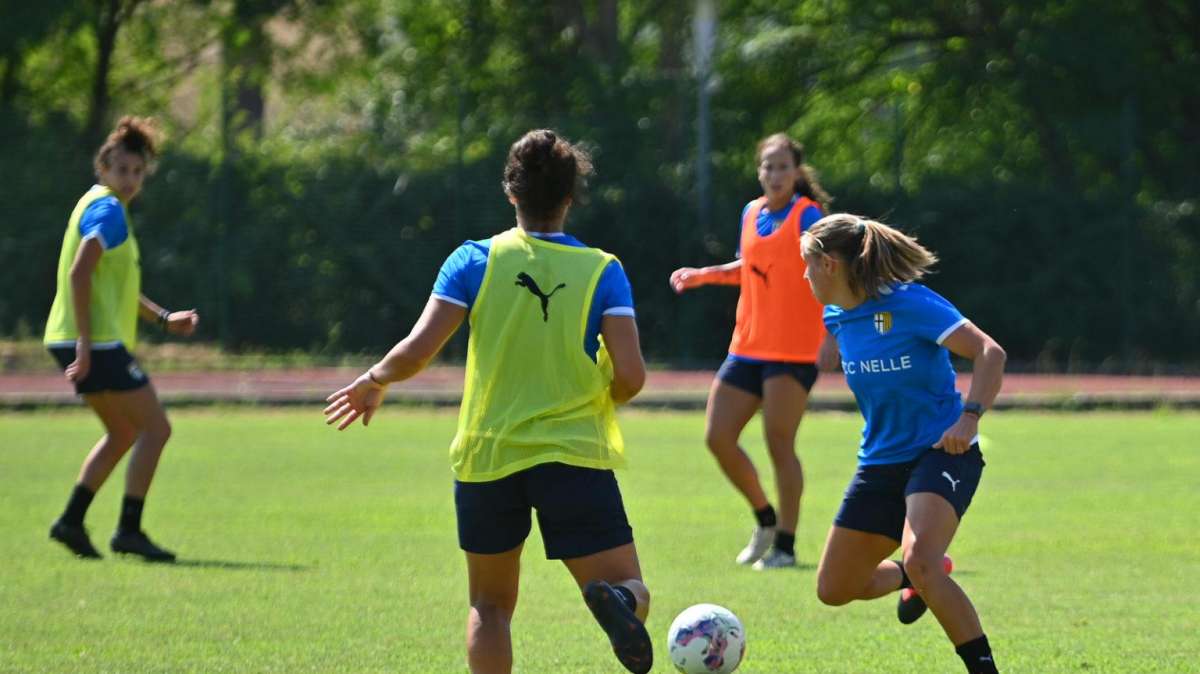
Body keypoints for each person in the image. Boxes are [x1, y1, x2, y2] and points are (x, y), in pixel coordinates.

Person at [324, 129, 653, 674]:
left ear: (511, 191)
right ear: (571, 196)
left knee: (490, 605)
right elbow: (633, 376)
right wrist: (608, 395)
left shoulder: (473, 260)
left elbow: (419, 349)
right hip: (572, 454)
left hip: (488, 455)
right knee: (629, 585)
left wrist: (374, 380)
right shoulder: (602, 270)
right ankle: (617, 602)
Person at [801, 214, 1006, 674]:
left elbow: (989, 352)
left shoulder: (911, 303)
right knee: (834, 588)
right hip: (879, 462)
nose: (804, 275)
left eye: (807, 264)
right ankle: (913, 576)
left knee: (922, 560)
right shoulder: (835, 316)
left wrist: (970, 418)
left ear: (830, 265)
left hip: (941, 451)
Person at [669, 133, 836, 569]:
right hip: (747, 346)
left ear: (796, 172)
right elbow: (753, 267)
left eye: (783, 167)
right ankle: (765, 518)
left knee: (779, 442)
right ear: (759, 171)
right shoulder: (751, 212)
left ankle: (786, 545)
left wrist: (832, 333)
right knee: (718, 437)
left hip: (794, 350)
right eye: (768, 166)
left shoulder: (807, 215)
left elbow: (830, 271)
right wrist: (705, 274)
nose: (774, 174)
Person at [44, 116, 200, 562]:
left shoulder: (95, 204)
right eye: (122, 170)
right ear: (103, 168)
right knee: (157, 428)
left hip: (68, 337)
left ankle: (71, 521)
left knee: (123, 432)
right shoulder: (109, 211)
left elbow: (115, 288)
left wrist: (163, 319)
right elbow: (80, 273)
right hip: (95, 343)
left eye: (137, 171)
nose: (130, 179)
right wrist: (86, 344)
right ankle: (128, 531)